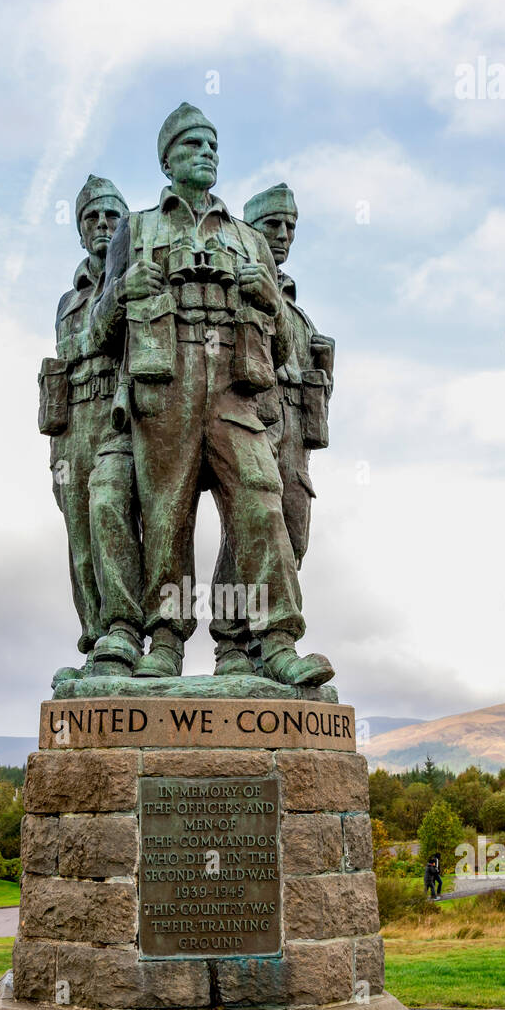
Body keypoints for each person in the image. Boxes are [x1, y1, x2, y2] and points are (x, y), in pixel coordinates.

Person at [91, 104, 334, 688]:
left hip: (234, 391)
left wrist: (269, 300)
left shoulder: (248, 240)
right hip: (165, 388)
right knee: (165, 514)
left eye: (213, 146)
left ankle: (275, 639)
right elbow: (100, 333)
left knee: (259, 502)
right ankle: (166, 641)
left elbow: (281, 353)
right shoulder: (138, 228)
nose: (207, 154)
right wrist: (123, 291)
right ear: (167, 159)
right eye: (193, 145)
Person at [210, 182, 335, 673]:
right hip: (250, 420)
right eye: (272, 225)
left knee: (291, 537)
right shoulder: (231, 287)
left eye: (290, 227)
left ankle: (265, 645)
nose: (282, 235)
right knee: (246, 533)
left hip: (294, 438)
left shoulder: (299, 315)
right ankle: (233, 644)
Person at [42, 175, 144, 683]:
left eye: (110, 216)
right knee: (79, 539)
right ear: (81, 231)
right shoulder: (68, 298)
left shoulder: (135, 275)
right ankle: (95, 644)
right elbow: (70, 350)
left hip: (118, 412)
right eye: (92, 218)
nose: (102, 225)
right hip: (71, 423)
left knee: (112, 515)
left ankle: (127, 632)